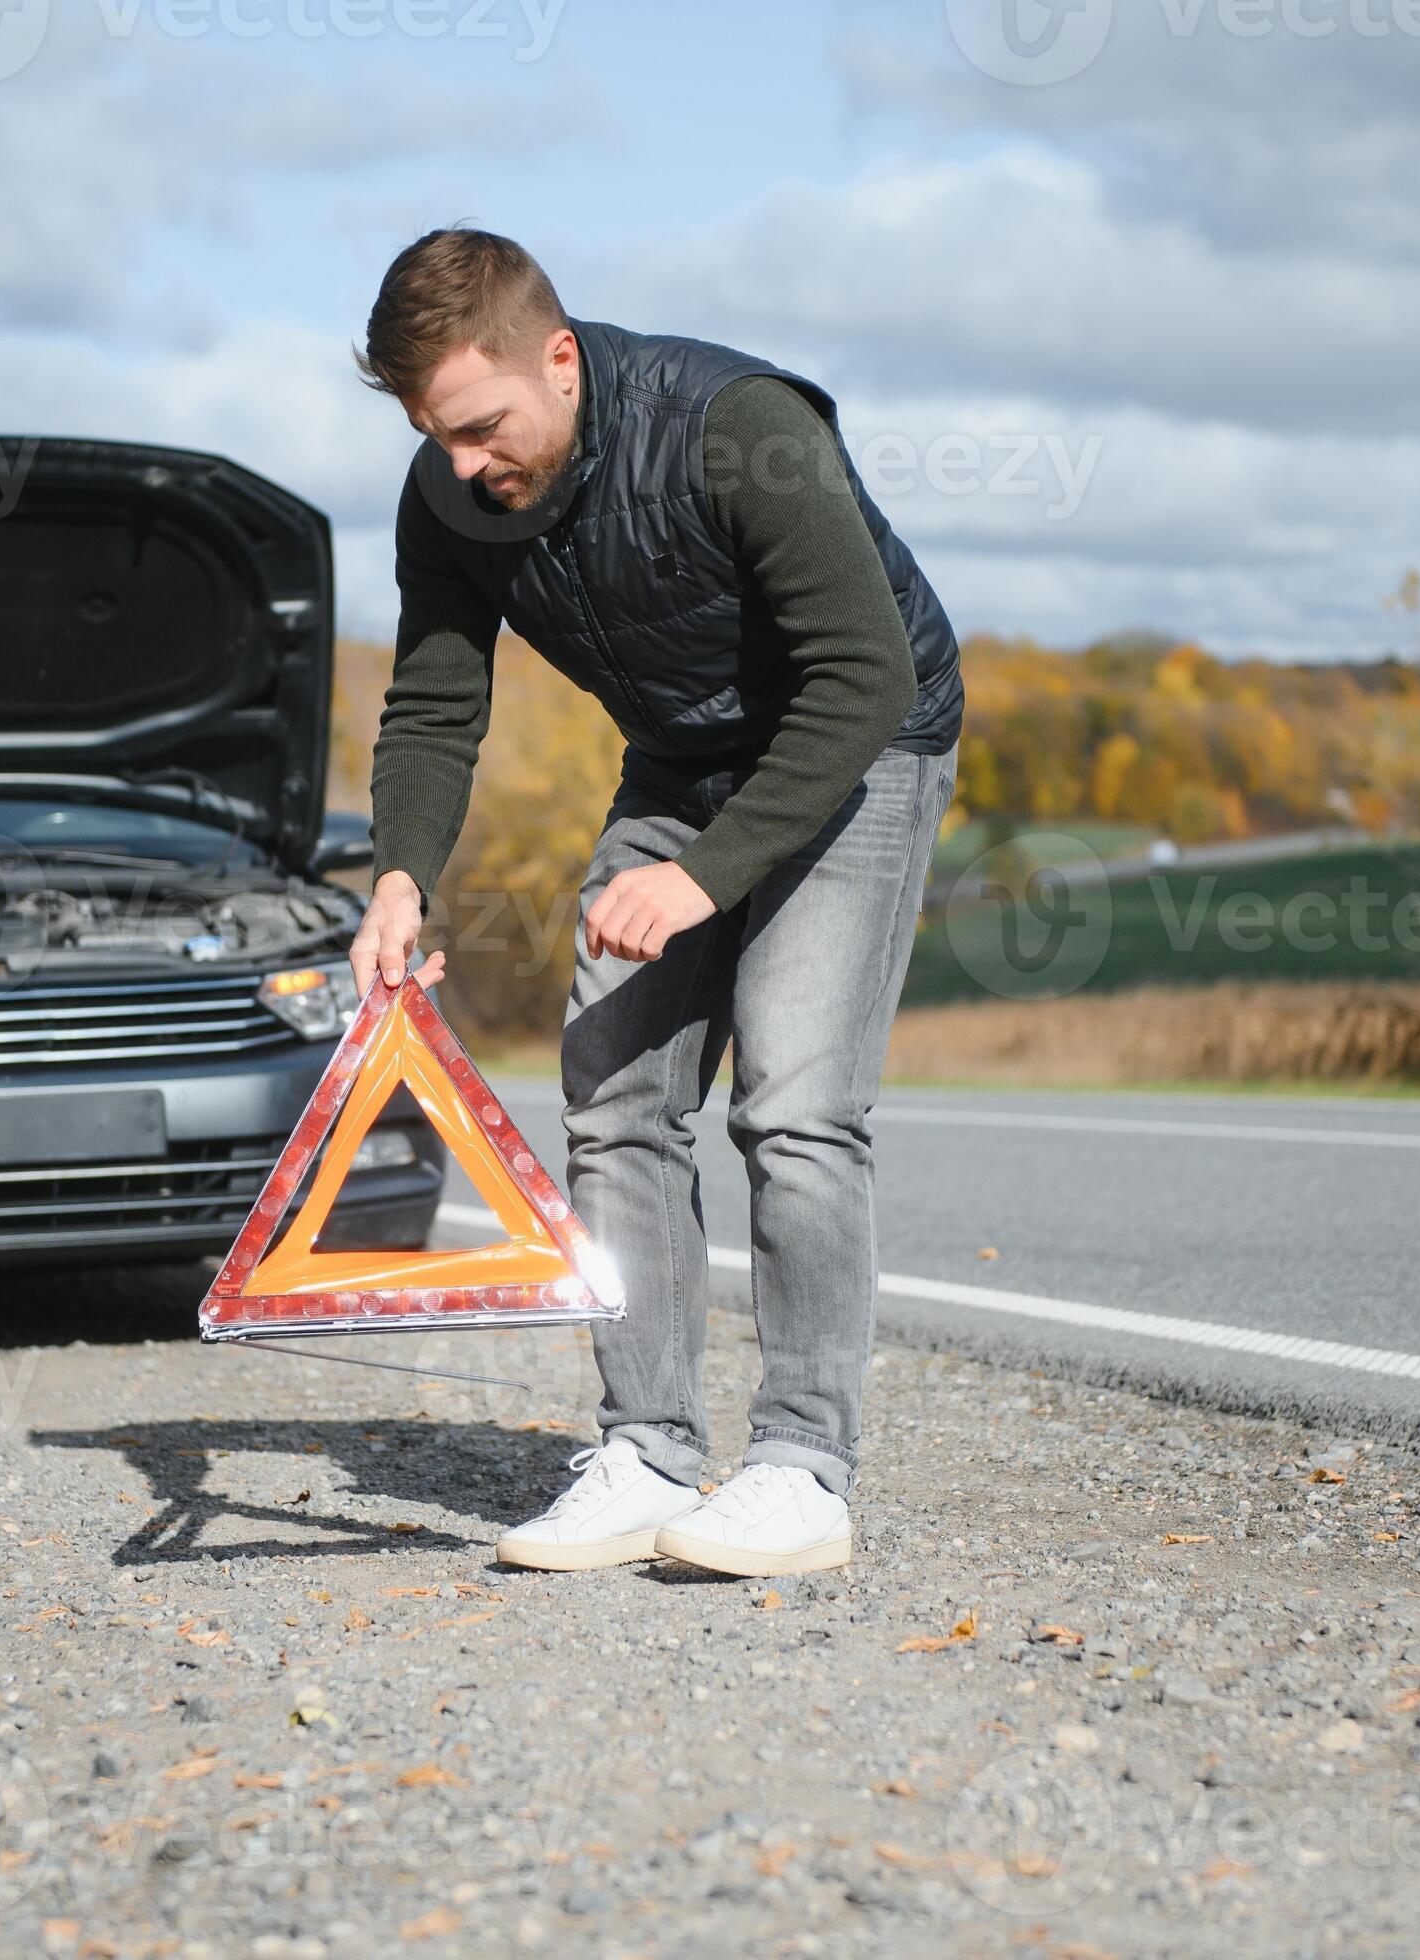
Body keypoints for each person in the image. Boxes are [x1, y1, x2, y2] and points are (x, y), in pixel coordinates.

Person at [345, 228, 962, 1579]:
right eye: (432, 434)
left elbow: (856, 674)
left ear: (556, 360)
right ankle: (645, 1453)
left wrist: (697, 877)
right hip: (681, 762)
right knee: (614, 1091)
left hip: (864, 740)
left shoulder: (737, 428)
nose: (461, 465)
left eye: (480, 426)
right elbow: (437, 700)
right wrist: (401, 874)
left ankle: (802, 1470)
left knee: (793, 1104)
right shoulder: (448, 489)